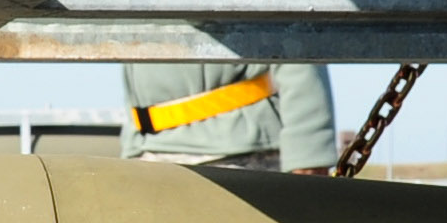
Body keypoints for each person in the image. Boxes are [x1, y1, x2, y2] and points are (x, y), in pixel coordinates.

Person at [121, 61, 337, 173]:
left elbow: (296, 38)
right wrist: (133, 145)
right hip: (152, 155)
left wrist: (309, 153)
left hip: (238, 157)